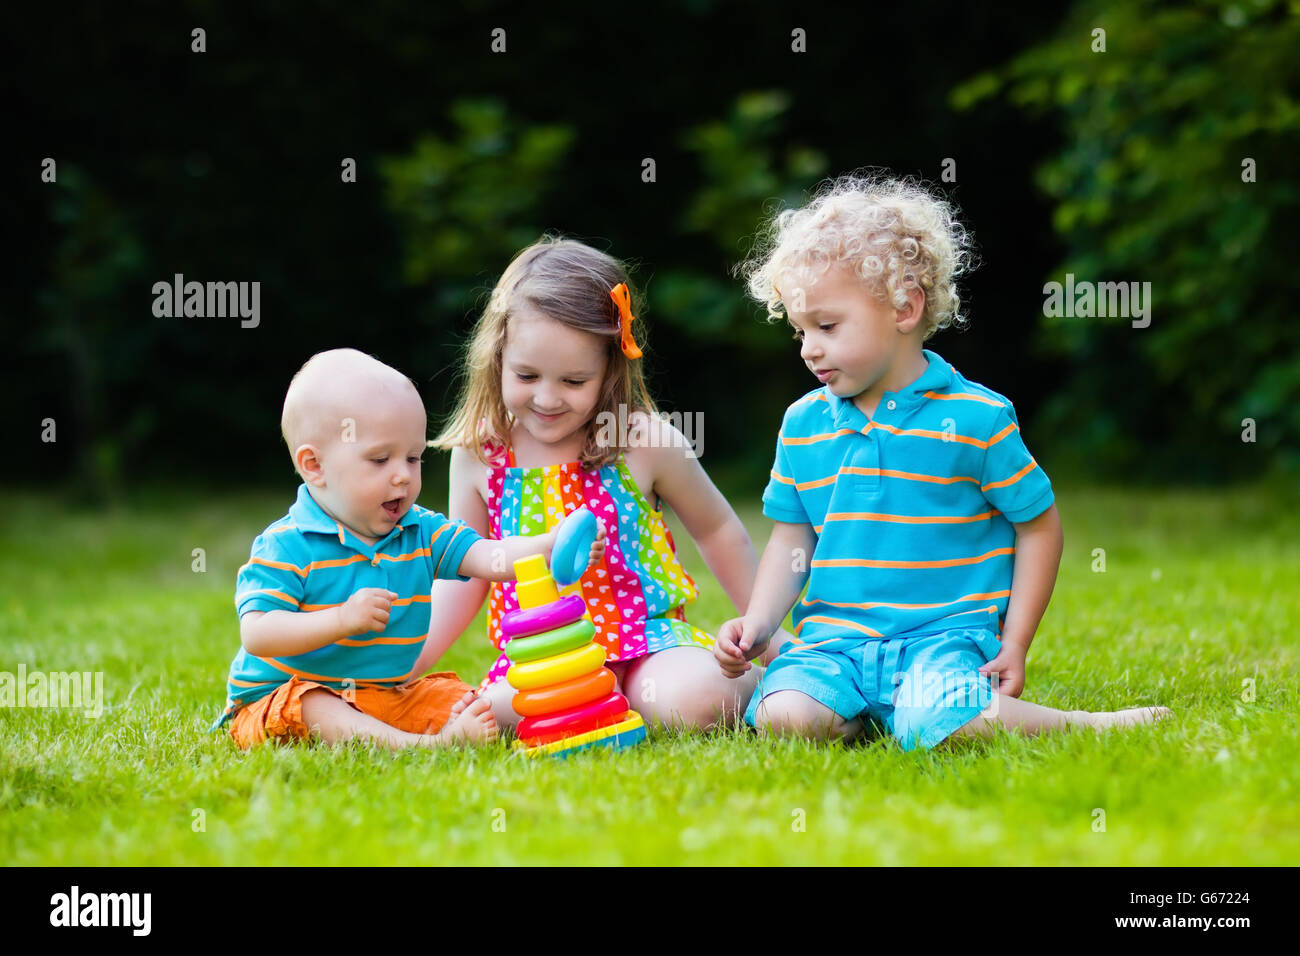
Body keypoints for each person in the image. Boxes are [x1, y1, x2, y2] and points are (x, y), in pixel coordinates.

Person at [716, 173, 1172, 749]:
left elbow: (1037, 525)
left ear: (905, 307)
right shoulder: (804, 424)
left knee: (943, 723)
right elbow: (793, 537)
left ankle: (1087, 727)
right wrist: (758, 624)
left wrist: (1017, 641)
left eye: (827, 326)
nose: (810, 347)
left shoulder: (977, 419)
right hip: (833, 642)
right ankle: (861, 710)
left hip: (943, 640)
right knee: (785, 718)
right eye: (801, 329)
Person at [423, 236, 786, 732]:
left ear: (610, 370)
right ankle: (596, 702)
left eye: (573, 381)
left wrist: (770, 635)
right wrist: (409, 663)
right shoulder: (480, 453)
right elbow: (464, 571)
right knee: (495, 713)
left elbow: (718, 529)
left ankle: (704, 690)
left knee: (697, 700)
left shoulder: (642, 440)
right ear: (497, 357)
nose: (547, 399)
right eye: (527, 375)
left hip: (648, 641)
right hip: (547, 655)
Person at [212, 348, 603, 750]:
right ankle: (419, 746)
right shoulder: (288, 544)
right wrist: (342, 619)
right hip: (281, 700)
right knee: (314, 704)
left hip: (380, 697)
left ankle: (418, 731)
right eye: (380, 459)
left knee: (468, 702)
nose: (402, 476)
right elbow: (258, 633)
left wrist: (549, 545)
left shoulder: (419, 529)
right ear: (314, 466)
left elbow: (487, 555)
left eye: (413, 458)